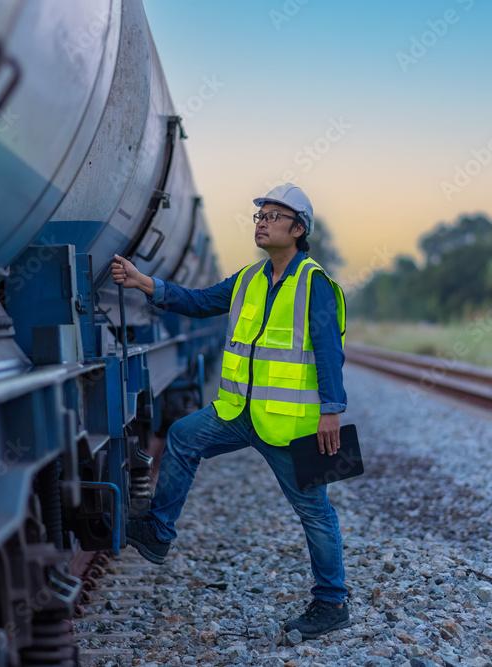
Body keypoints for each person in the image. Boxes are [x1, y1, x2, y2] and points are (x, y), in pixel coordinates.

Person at [111, 183, 350, 639]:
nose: (261, 221)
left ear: (298, 229)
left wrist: (331, 411)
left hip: (291, 425)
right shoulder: (249, 279)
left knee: (315, 512)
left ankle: (331, 603)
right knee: (183, 436)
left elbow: (327, 350)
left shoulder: (314, 283)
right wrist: (146, 284)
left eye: (274, 216)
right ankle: (159, 532)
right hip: (240, 412)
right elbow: (200, 303)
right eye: (259, 214)